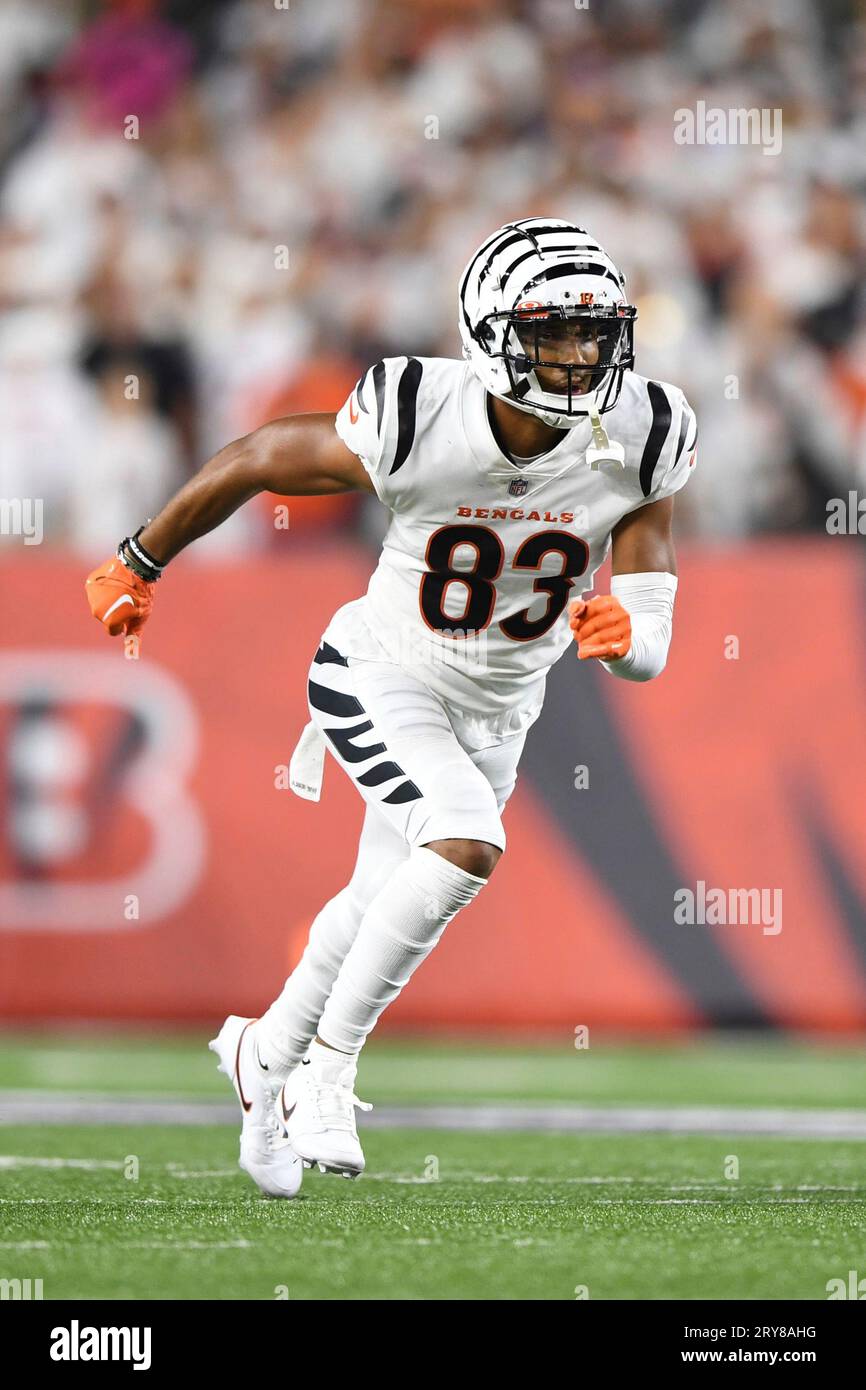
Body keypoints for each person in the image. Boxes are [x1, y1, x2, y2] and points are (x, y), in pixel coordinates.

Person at [85, 218, 696, 1199]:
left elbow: (650, 594)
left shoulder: (641, 431)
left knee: (376, 899)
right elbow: (256, 456)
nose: (579, 355)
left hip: (503, 705)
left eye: (594, 332)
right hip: (382, 669)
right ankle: (328, 1068)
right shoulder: (420, 414)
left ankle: (262, 1051)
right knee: (463, 842)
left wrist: (635, 644)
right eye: (552, 331)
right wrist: (138, 557)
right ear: (490, 333)